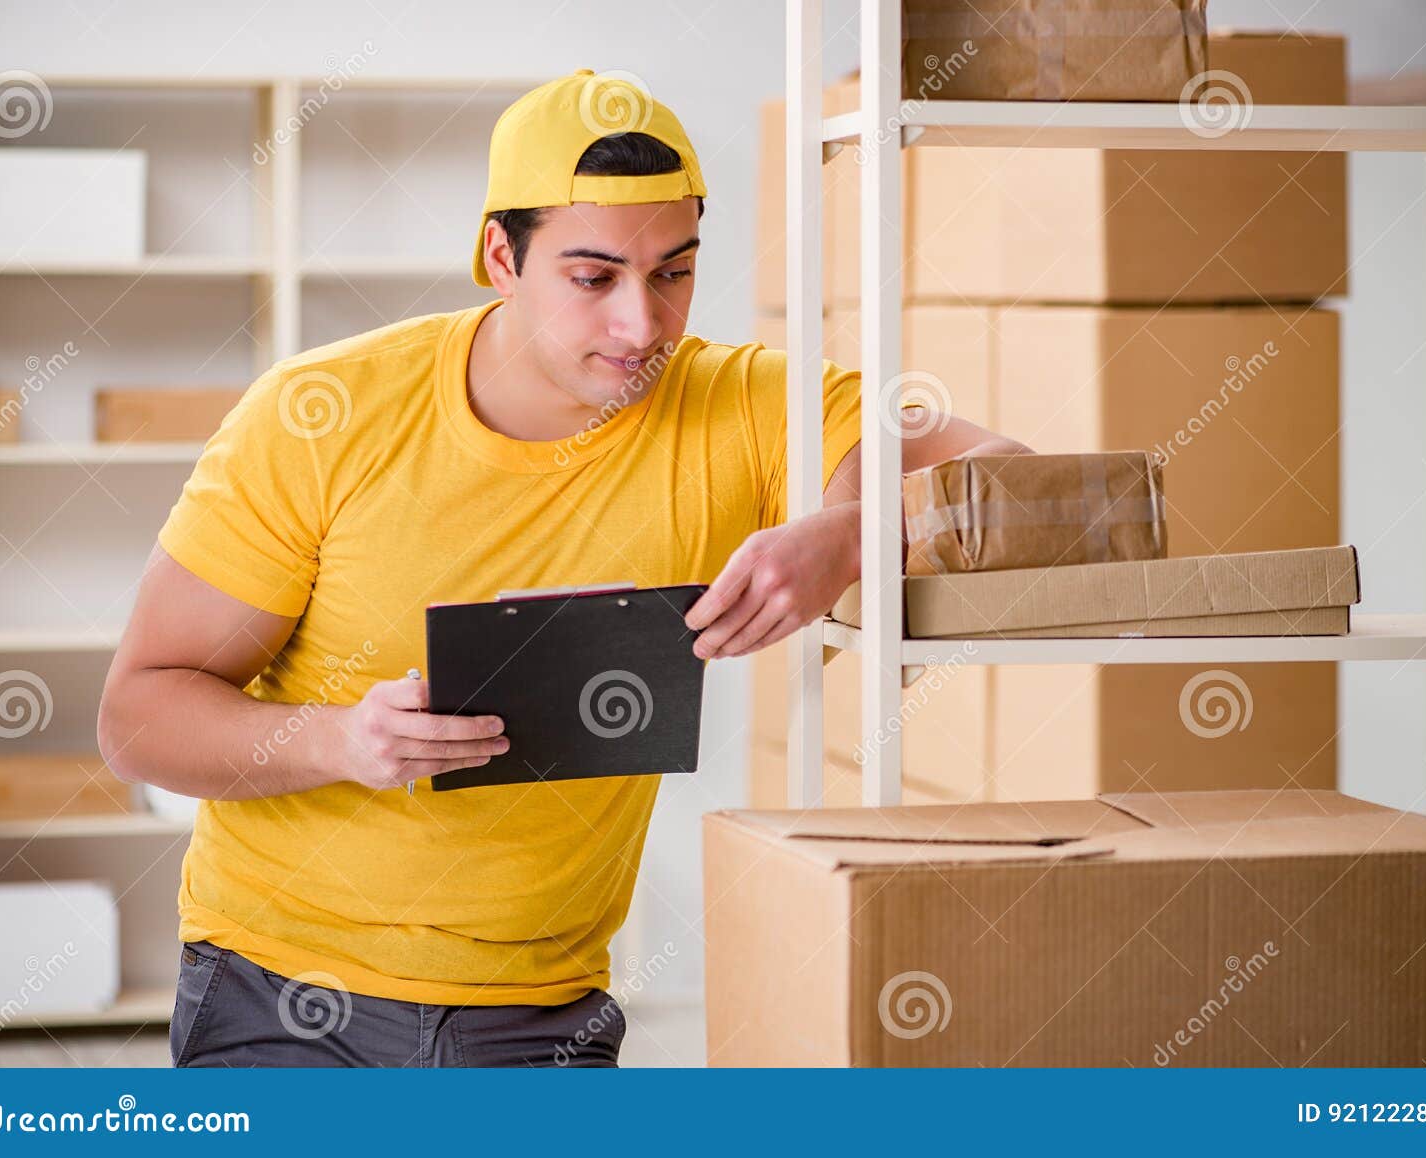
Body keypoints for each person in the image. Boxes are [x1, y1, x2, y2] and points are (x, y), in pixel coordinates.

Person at [97, 69, 1030, 1068]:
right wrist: (339, 740)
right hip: (278, 989)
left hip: (538, 1012)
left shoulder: (748, 405)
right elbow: (139, 716)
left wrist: (853, 534)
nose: (643, 326)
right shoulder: (320, 416)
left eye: (673, 272)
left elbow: (1017, 478)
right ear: (501, 255)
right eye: (593, 279)